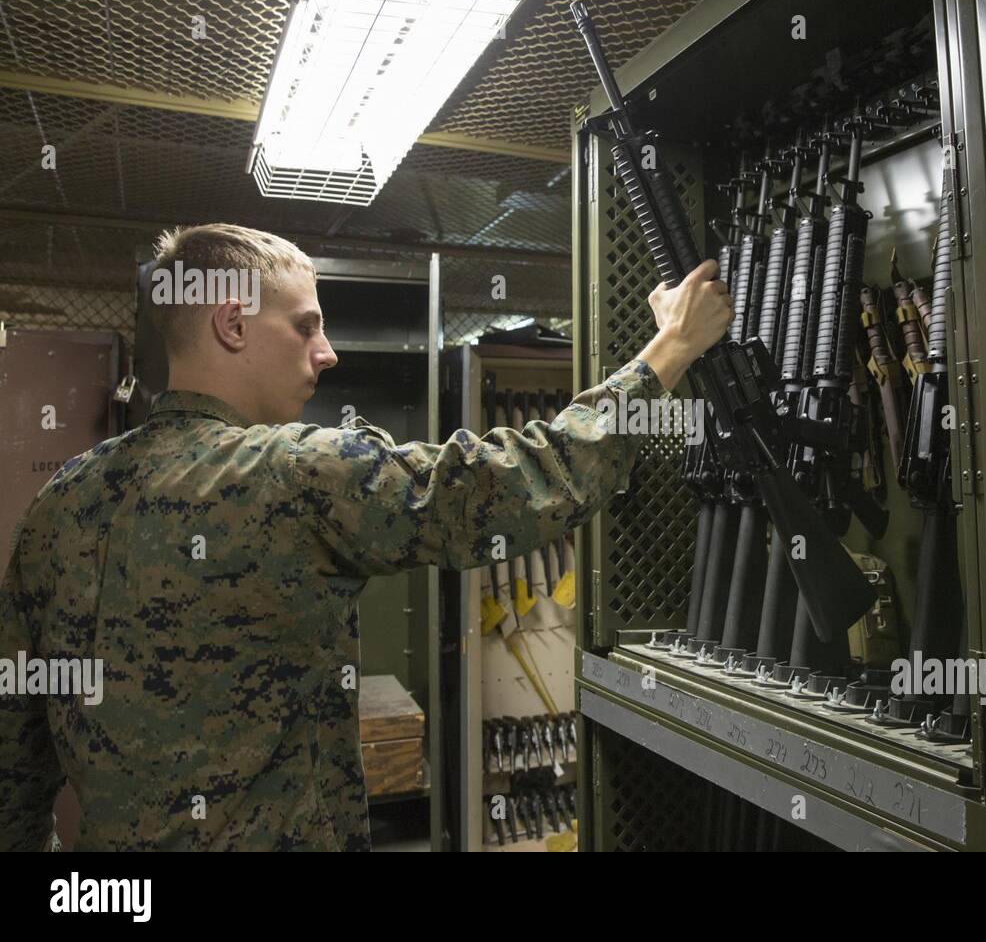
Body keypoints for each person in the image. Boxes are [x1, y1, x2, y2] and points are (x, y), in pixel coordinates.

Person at [0, 223, 732, 851]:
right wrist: (669, 351)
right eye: (306, 325)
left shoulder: (59, 503)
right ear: (232, 325)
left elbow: (15, 756)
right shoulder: (292, 473)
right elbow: (516, 484)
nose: (328, 353)